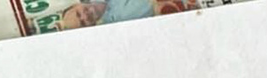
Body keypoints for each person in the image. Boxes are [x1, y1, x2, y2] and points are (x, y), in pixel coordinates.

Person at [61, 0, 192, 28]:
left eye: (78, 14)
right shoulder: (119, 22)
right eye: (83, 23)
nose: (85, 16)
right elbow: (155, 5)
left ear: (76, 5)